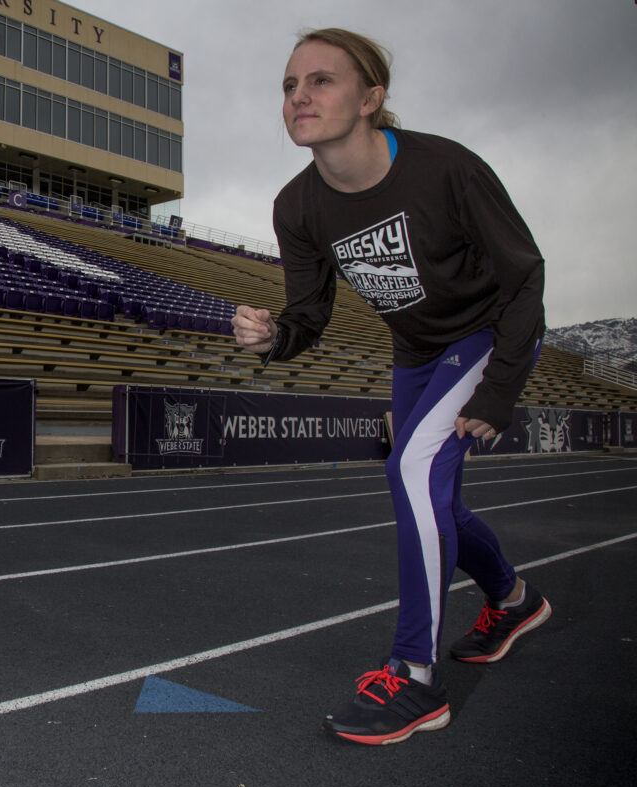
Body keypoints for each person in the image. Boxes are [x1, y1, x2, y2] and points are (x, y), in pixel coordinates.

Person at [232, 28, 552, 745]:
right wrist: (272, 336)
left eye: (321, 81)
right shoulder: (298, 207)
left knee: (412, 469)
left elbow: (525, 275)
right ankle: (511, 598)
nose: (299, 97)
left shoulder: (446, 171)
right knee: (426, 489)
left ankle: (414, 677)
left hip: (490, 330)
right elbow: (309, 316)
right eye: (289, 85)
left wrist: (497, 392)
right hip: (417, 351)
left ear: (371, 98)